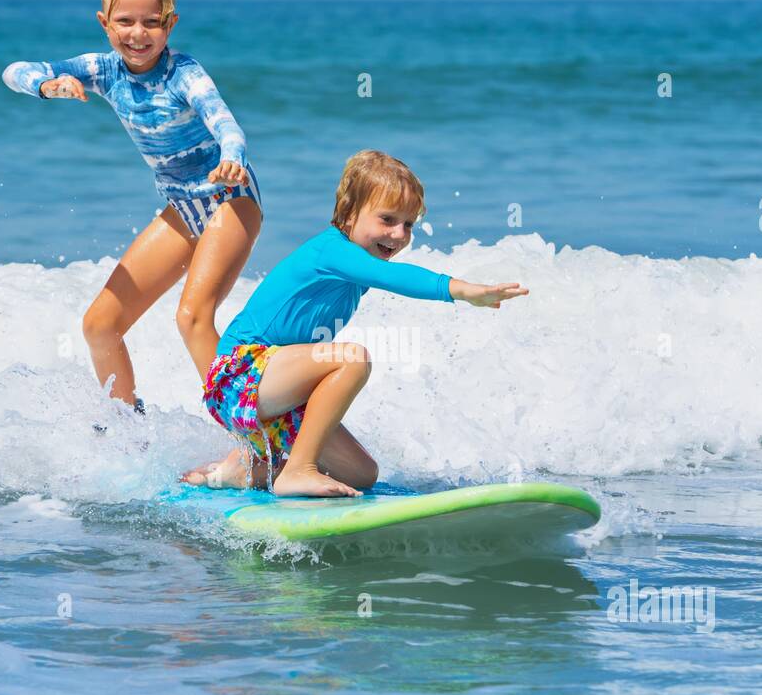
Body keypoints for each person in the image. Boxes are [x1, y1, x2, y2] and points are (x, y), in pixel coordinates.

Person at [3, 0, 261, 451]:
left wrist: (232, 156)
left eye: (151, 22)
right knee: (100, 325)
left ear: (170, 24)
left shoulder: (184, 72)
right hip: (183, 212)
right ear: (104, 23)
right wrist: (46, 84)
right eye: (124, 21)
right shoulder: (102, 70)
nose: (137, 33)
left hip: (231, 200)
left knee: (192, 317)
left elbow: (225, 121)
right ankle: (128, 436)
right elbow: (14, 70)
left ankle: (257, 442)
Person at [185, 150, 528, 498]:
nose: (398, 234)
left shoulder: (355, 267)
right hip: (238, 375)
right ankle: (297, 472)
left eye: (408, 224)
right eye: (387, 219)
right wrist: (461, 290)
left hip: (277, 388)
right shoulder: (332, 252)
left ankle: (240, 470)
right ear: (349, 214)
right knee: (352, 358)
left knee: (361, 473)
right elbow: (392, 276)